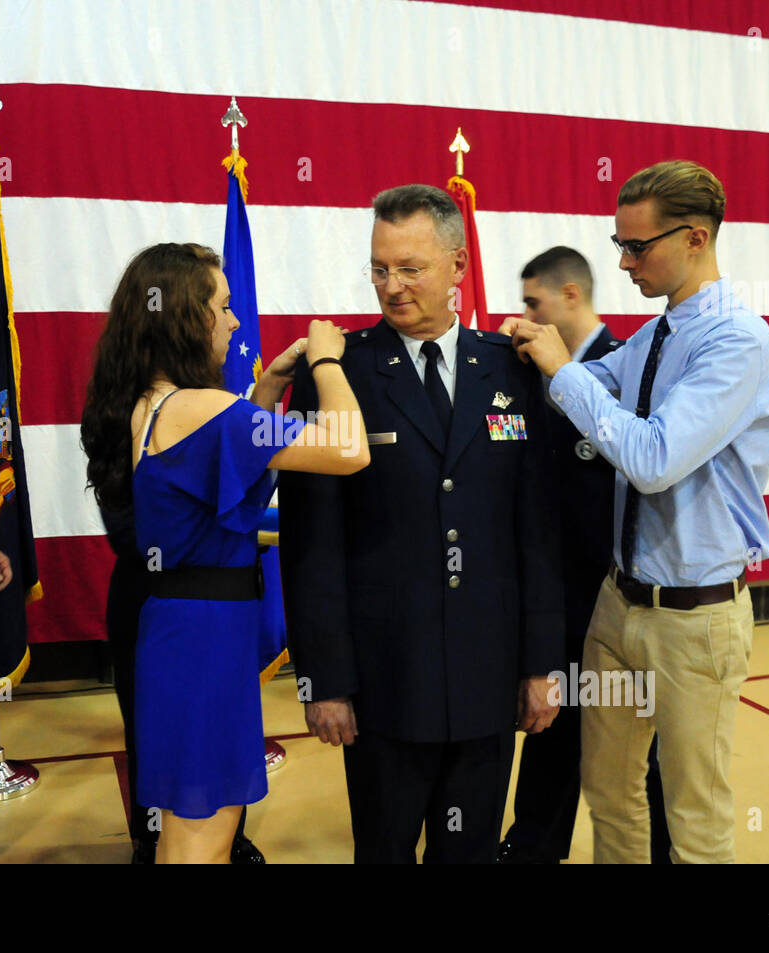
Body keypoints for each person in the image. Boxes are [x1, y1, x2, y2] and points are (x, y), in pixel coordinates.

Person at [278, 185, 566, 864]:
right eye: (380, 268)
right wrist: (324, 680)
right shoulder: (336, 373)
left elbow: (537, 532)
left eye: (411, 268)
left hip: (487, 680)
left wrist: (542, 665)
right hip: (382, 686)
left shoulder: (511, 369)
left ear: (458, 266)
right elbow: (311, 542)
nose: (391, 286)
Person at [508, 160, 769, 863]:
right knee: (609, 794)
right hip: (619, 605)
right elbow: (595, 382)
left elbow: (654, 456)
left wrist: (561, 368)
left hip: (695, 618)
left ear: (695, 239)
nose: (625, 263)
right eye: (619, 245)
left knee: (693, 819)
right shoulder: (658, 334)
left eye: (639, 247)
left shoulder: (736, 340)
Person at [80, 242, 369, 864]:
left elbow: (227, 465)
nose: (235, 322)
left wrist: (266, 387)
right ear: (188, 318)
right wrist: (326, 361)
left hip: (187, 627)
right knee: (202, 833)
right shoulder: (200, 408)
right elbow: (349, 448)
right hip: (203, 636)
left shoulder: (161, 403)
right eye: (224, 306)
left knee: (194, 824)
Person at [496, 246, 671, 864]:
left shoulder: (626, 372)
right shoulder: (527, 374)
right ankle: (533, 845)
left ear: (570, 295)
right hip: (554, 596)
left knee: (638, 746)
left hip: (613, 591)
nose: (526, 314)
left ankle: (661, 850)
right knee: (553, 731)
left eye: (534, 301)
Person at [100, 499, 267, 864]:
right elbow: (129, 532)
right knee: (157, 737)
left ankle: (228, 838)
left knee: (222, 732)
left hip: (225, 596)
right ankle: (152, 838)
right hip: (153, 593)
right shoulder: (128, 444)